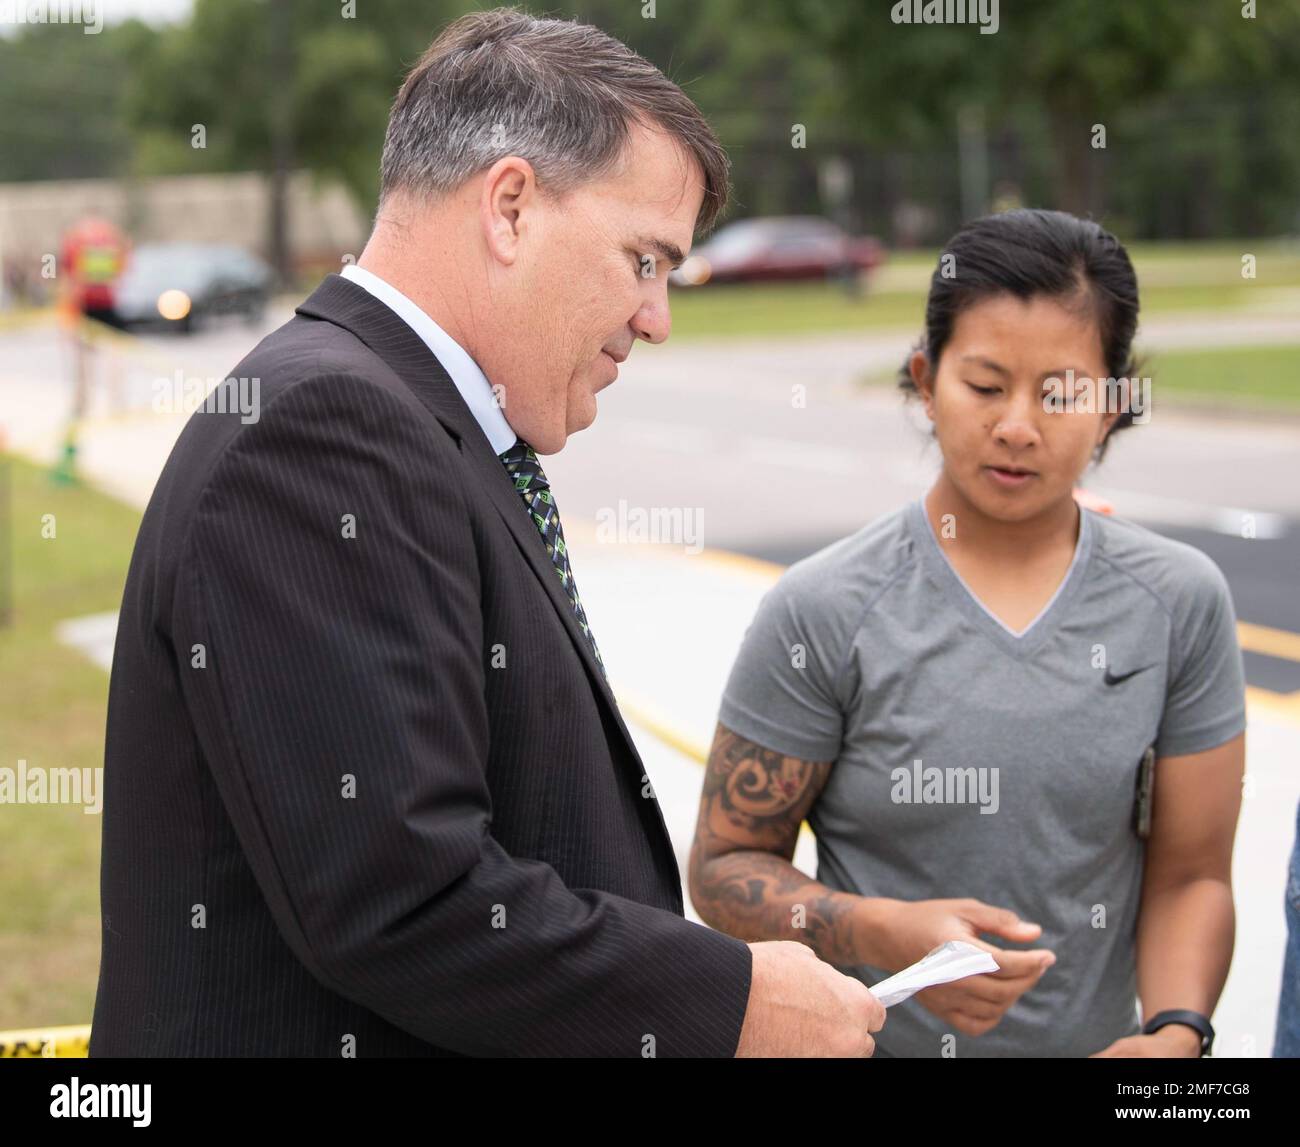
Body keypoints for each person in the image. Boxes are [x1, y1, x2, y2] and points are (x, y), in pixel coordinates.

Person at [90, 8, 883, 1058]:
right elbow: (400, 901)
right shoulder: (328, 431)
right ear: (510, 206)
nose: (657, 317)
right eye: (644, 259)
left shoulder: (410, 420)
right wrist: (730, 1000)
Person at [690, 209, 1247, 1058]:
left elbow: (1193, 874)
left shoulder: (1179, 602)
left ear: (1113, 404)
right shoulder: (823, 608)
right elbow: (724, 867)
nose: (1018, 425)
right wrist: (883, 929)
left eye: (1060, 392)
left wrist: (1174, 1035)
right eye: (985, 385)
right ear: (924, 377)